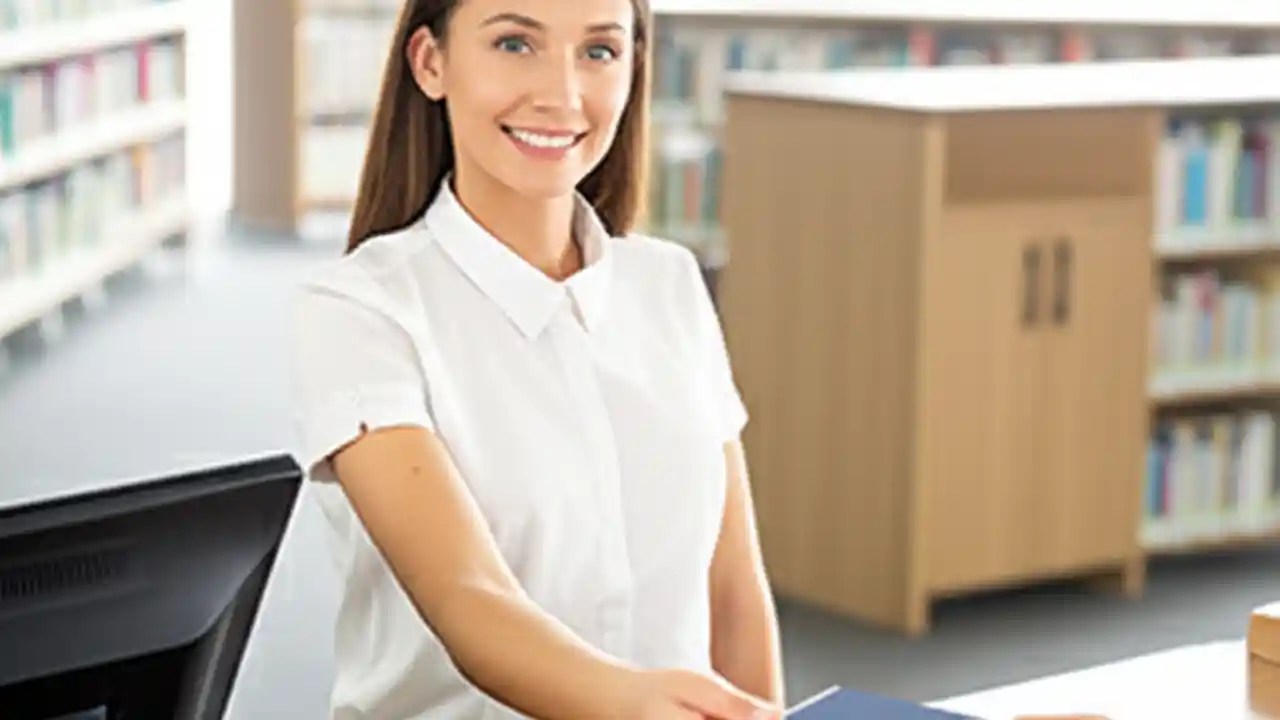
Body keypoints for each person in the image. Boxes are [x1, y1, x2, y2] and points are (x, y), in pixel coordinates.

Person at [289, 0, 784, 717]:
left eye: (600, 51)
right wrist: (633, 704)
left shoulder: (669, 285)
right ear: (431, 62)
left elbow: (734, 593)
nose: (562, 95)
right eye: (516, 43)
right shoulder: (359, 309)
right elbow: (470, 600)